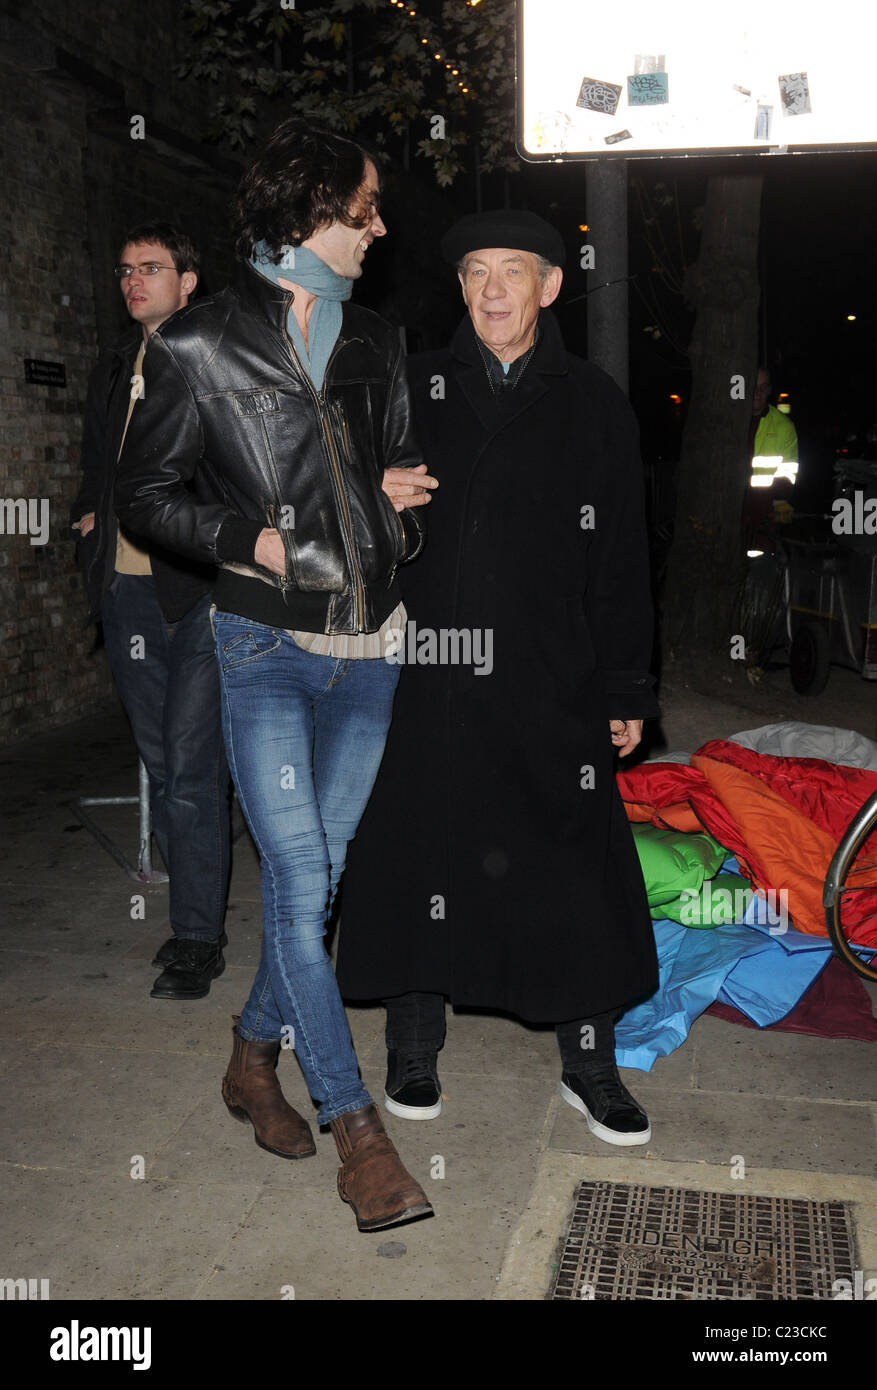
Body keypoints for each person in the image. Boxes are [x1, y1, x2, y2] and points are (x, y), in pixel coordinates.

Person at [114, 121, 437, 1232]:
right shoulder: (199, 346)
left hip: (371, 647)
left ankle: (252, 1059)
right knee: (301, 881)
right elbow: (143, 498)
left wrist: (392, 504)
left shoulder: (379, 339)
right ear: (310, 212)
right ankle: (359, 1133)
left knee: (318, 879)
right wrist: (247, 539)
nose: (381, 227)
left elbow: (387, 472)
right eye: (366, 207)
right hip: (260, 644)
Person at [336, 209, 660, 1147]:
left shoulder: (594, 402)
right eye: (475, 272)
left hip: (548, 677)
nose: (489, 291)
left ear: (549, 286)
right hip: (427, 672)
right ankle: (412, 1042)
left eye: (510, 272)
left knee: (570, 867)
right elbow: (338, 493)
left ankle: (589, 1064)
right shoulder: (414, 385)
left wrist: (626, 688)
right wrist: (370, 494)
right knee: (417, 854)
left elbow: (623, 563)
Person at [70, 223, 232, 1001]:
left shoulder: (216, 359)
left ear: (188, 280)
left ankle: (197, 938)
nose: (135, 281)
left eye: (153, 269)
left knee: (192, 770)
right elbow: (97, 463)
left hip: (197, 592)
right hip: (128, 590)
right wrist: (89, 518)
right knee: (165, 766)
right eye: (126, 270)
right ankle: (195, 907)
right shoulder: (113, 364)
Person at [744, 365, 799, 544]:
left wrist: (779, 520)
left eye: (763, 387)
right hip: (731, 514)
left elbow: (788, 478)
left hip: (765, 517)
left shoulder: (784, 427)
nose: (757, 392)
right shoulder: (729, 423)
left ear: (769, 390)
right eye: (753, 385)